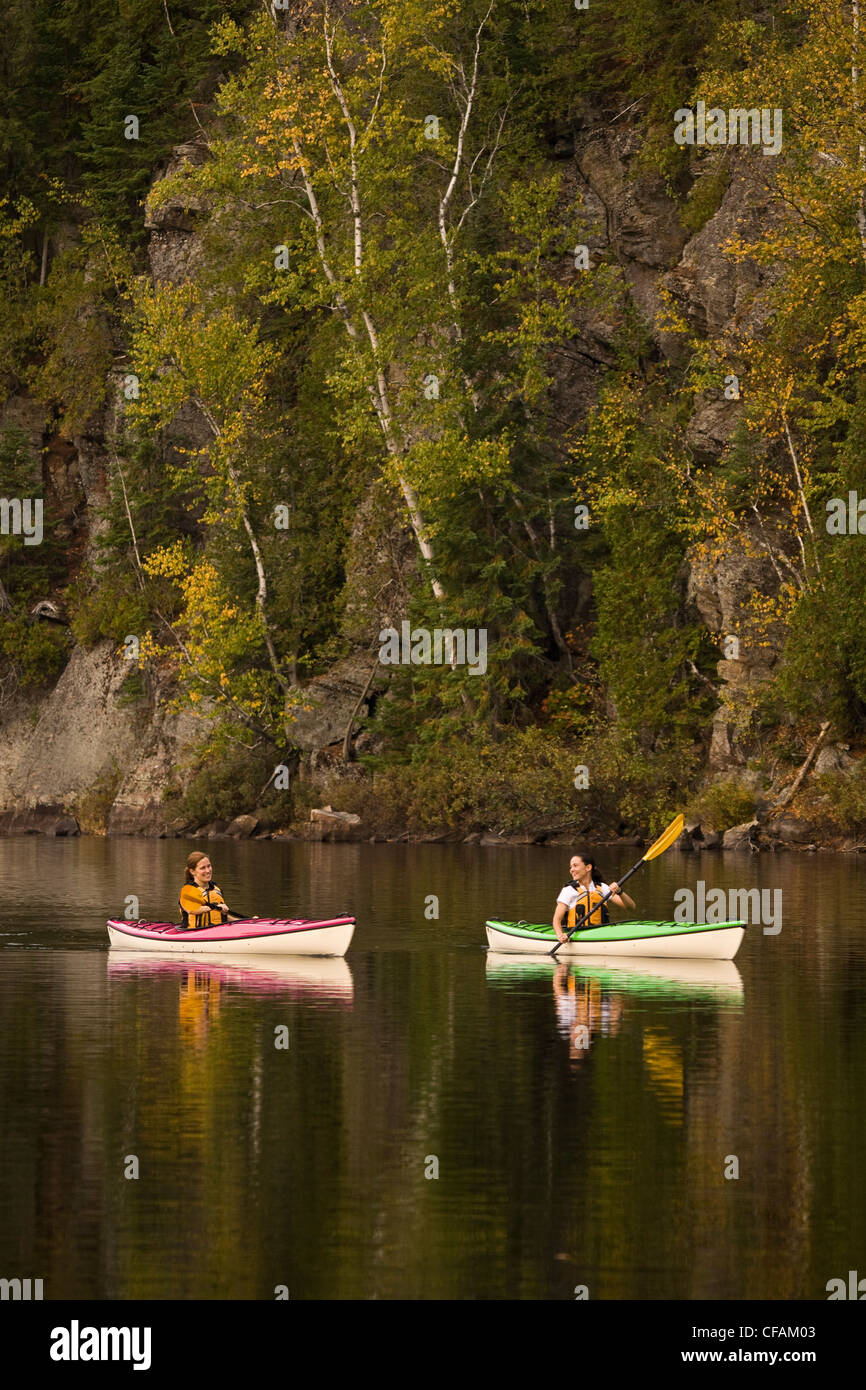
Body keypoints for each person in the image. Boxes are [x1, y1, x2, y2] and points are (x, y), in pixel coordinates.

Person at [553, 853, 635, 944]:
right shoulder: (569, 890)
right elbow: (557, 920)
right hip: (576, 934)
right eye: (570, 867)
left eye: (575, 866)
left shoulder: (602, 888)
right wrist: (560, 936)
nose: (572, 870)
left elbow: (631, 907)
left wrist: (620, 892)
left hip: (600, 934)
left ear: (588, 867)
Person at [179, 852, 241, 930]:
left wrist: (246, 922)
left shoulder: (216, 890)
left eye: (209, 866)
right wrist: (215, 907)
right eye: (203, 868)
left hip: (217, 931)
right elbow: (191, 909)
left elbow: (224, 917)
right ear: (192, 871)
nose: (208, 871)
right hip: (193, 933)